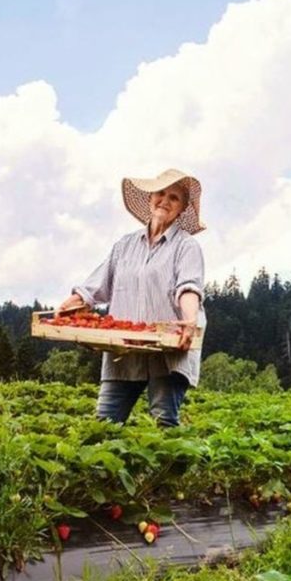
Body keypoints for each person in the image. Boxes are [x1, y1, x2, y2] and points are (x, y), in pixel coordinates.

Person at [58, 168, 206, 427]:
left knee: (163, 422)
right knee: (104, 422)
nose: (165, 201)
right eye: (160, 193)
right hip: (123, 353)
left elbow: (189, 287)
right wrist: (72, 303)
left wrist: (190, 320)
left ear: (182, 209)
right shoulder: (124, 246)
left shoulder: (186, 246)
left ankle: (171, 467)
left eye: (174, 198)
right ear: (150, 199)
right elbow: (95, 287)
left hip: (168, 349)